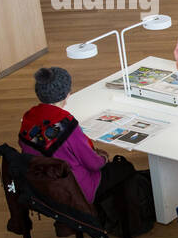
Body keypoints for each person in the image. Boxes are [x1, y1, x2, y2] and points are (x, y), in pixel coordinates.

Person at [20, 66, 119, 206]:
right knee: (123, 169)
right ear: (67, 94)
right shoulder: (67, 124)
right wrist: (103, 157)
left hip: (43, 187)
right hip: (74, 189)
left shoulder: (28, 119)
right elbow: (93, 164)